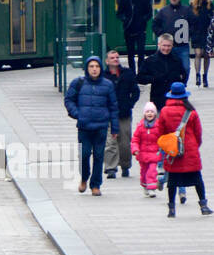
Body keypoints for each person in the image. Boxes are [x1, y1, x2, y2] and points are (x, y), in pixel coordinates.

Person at [65, 55, 119, 195]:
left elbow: (113, 107)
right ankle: (84, 178)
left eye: (97, 66)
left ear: (101, 68)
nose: (94, 69)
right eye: (91, 66)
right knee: (84, 154)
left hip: (101, 126)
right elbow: (69, 100)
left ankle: (95, 184)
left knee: (99, 156)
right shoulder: (79, 83)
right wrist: (77, 114)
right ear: (87, 68)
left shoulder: (107, 85)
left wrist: (114, 127)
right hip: (84, 126)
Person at [157, 82, 212, 218]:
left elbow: (161, 132)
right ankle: (203, 205)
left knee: (173, 182)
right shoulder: (191, 111)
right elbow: (198, 133)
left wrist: (167, 147)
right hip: (190, 149)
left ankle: (172, 209)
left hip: (174, 151)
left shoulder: (164, 111)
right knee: (197, 180)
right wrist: (195, 146)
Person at [103, 48, 140, 179]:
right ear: (107, 61)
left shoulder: (127, 73)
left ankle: (125, 165)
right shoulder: (103, 76)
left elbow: (135, 91)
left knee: (125, 141)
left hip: (124, 113)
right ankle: (110, 167)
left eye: (117, 57)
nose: (116, 59)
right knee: (110, 141)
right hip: (108, 114)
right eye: (112, 58)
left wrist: (130, 104)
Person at [137, 33, 188, 111]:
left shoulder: (177, 60)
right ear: (159, 45)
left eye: (169, 46)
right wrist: (153, 79)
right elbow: (140, 78)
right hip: (158, 100)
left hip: (174, 100)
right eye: (164, 45)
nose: (166, 48)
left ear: (172, 45)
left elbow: (184, 76)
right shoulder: (150, 61)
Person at [152, 0, 194, 76]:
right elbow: (154, 24)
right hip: (167, 47)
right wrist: (162, 35)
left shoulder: (187, 10)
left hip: (182, 46)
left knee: (186, 68)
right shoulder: (163, 11)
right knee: (165, 68)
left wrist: (188, 34)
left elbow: (194, 24)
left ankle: (182, 86)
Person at [117, 0, 151, 74]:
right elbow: (119, 13)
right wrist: (125, 19)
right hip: (129, 30)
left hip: (140, 30)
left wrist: (143, 20)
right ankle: (132, 72)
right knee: (130, 53)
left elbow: (149, 12)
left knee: (141, 52)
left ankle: (140, 71)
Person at [131, 102, 162, 198]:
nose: (149, 113)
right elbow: (135, 139)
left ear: (155, 114)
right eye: (147, 111)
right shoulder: (140, 126)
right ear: (144, 113)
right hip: (143, 154)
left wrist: (162, 148)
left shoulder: (158, 126)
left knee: (152, 170)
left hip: (154, 153)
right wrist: (135, 149)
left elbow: (162, 138)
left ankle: (152, 188)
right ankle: (145, 185)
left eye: (152, 112)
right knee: (144, 172)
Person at [191, 0, 212, 86]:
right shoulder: (193, 6)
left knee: (207, 55)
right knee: (198, 53)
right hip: (196, 33)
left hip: (207, 33)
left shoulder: (209, 5)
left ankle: (205, 76)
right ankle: (198, 74)